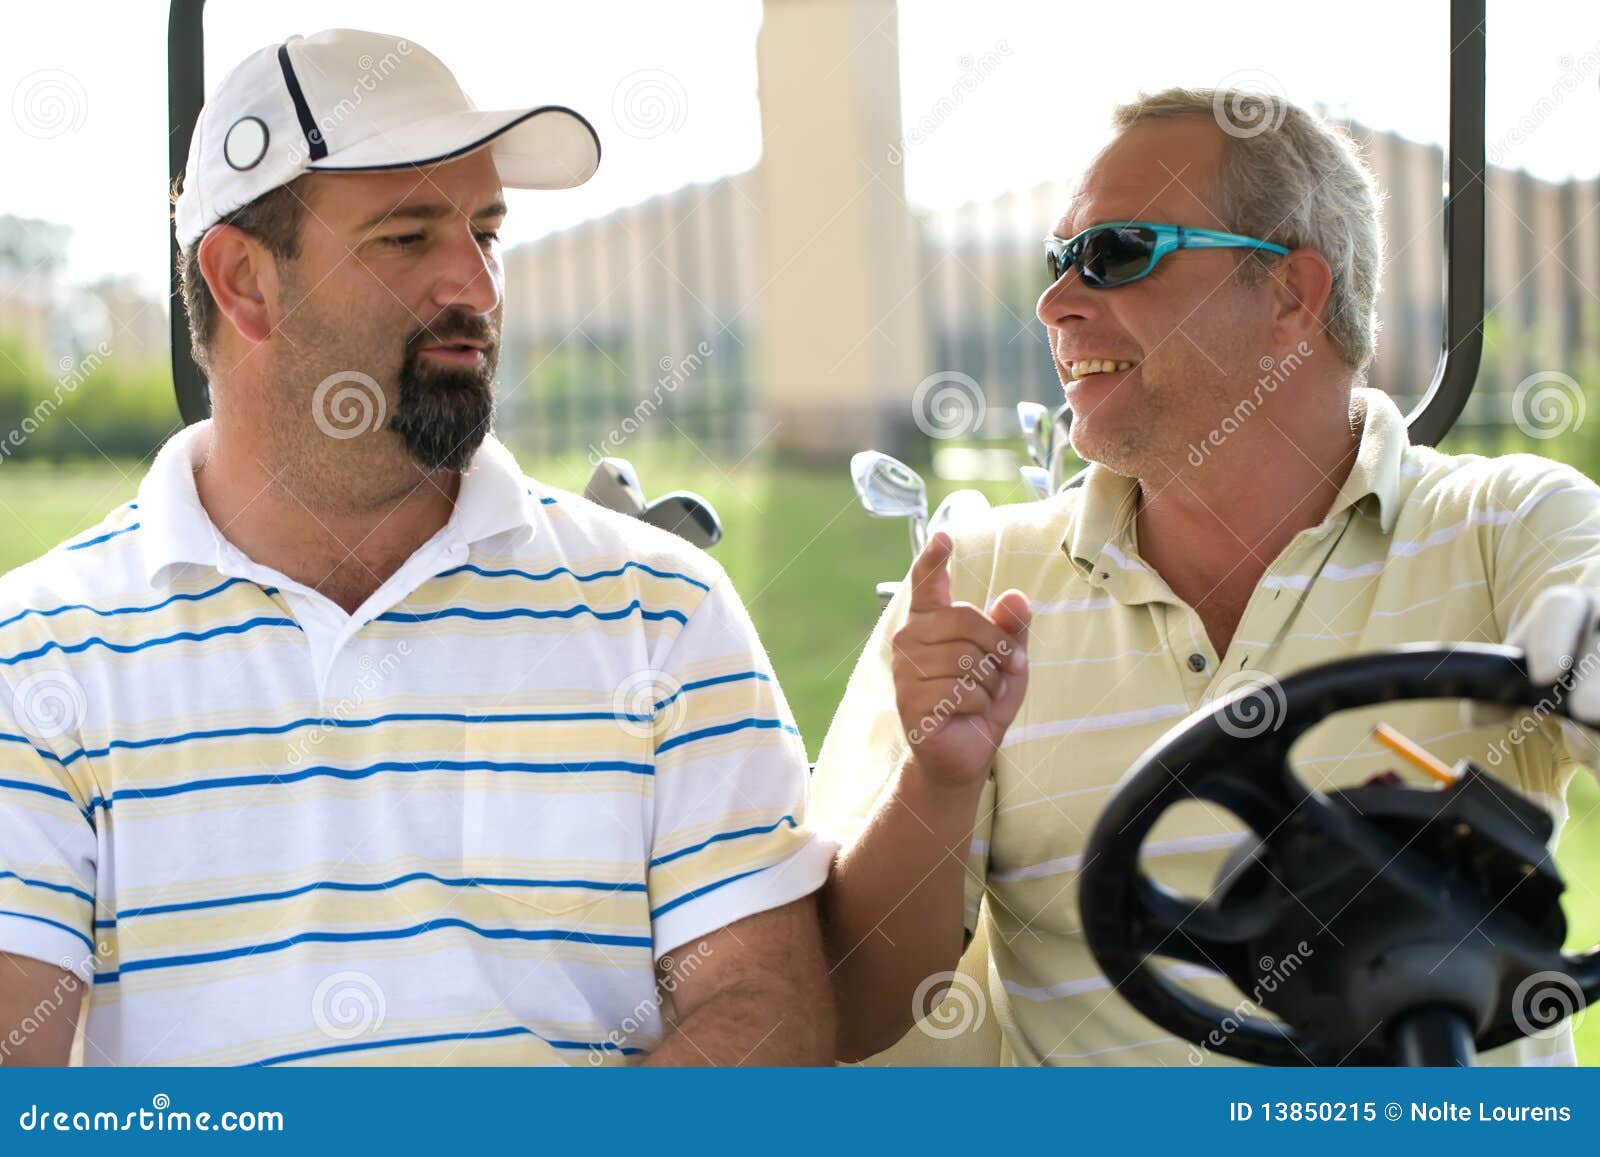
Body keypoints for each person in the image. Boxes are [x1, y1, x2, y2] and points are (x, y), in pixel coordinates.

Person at [0, 28, 833, 1066]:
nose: (475, 286)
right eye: (407, 238)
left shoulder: (663, 610)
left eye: (485, 230)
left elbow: (765, 1007)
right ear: (242, 280)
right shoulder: (35, 652)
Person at [812, 87, 1600, 1066]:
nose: (1057, 301)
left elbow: (1587, 625)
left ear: (1289, 295)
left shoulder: (1507, 526)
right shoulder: (980, 575)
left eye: (1114, 253)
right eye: (1056, 262)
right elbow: (849, 1011)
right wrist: (937, 779)